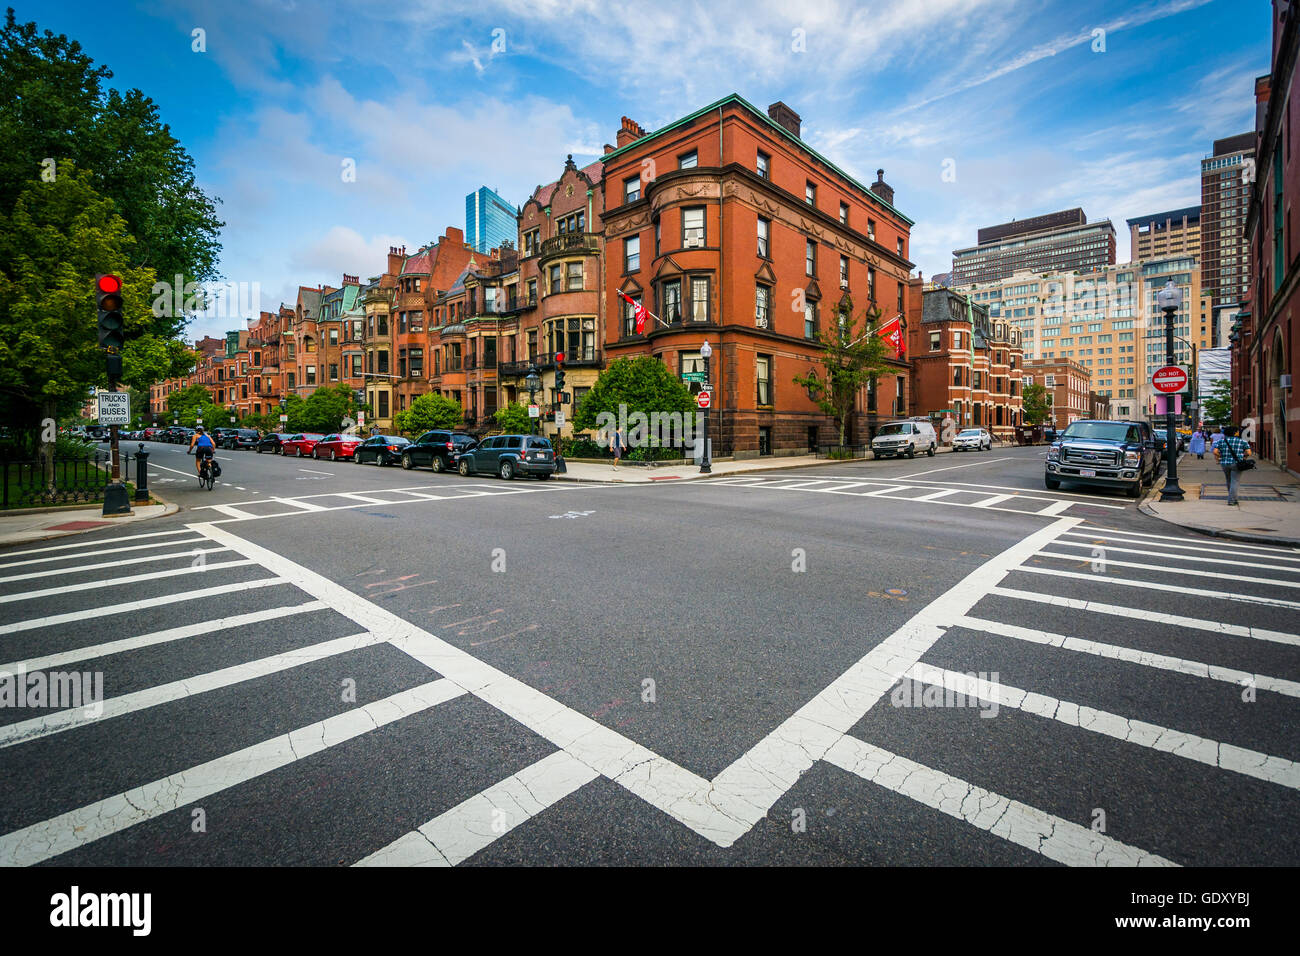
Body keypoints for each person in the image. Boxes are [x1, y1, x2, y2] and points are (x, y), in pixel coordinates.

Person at [1212, 424, 1253, 506]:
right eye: (1237, 431)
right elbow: (1249, 452)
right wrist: (1243, 458)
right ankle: (1231, 500)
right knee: (1235, 481)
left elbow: (1215, 452)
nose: (1238, 432)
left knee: (1228, 480)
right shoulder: (1242, 441)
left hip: (1224, 464)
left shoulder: (1221, 441)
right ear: (1234, 433)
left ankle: (1234, 498)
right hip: (1236, 464)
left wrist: (1221, 456)